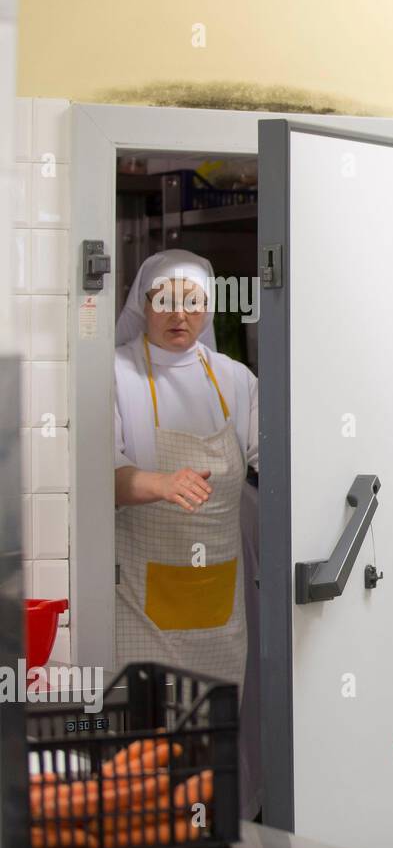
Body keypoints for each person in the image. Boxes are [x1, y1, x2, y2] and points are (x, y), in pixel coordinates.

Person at [112, 247, 258, 697]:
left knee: (212, 739)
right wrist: (162, 483)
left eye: (193, 301)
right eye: (165, 300)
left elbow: (272, 463)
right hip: (140, 599)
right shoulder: (117, 373)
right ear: (143, 303)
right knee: (144, 740)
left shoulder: (234, 379)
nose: (180, 313)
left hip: (218, 602)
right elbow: (103, 475)